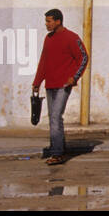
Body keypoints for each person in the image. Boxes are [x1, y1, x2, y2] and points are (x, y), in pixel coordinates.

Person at [30, 9, 88, 165]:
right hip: (50, 84)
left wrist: (74, 77)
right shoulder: (48, 39)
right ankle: (58, 147)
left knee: (56, 117)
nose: (47, 24)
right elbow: (43, 61)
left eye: (49, 21)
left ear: (58, 21)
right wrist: (37, 82)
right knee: (53, 118)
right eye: (46, 21)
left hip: (63, 85)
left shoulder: (72, 38)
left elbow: (83, 58)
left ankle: (57, 153)